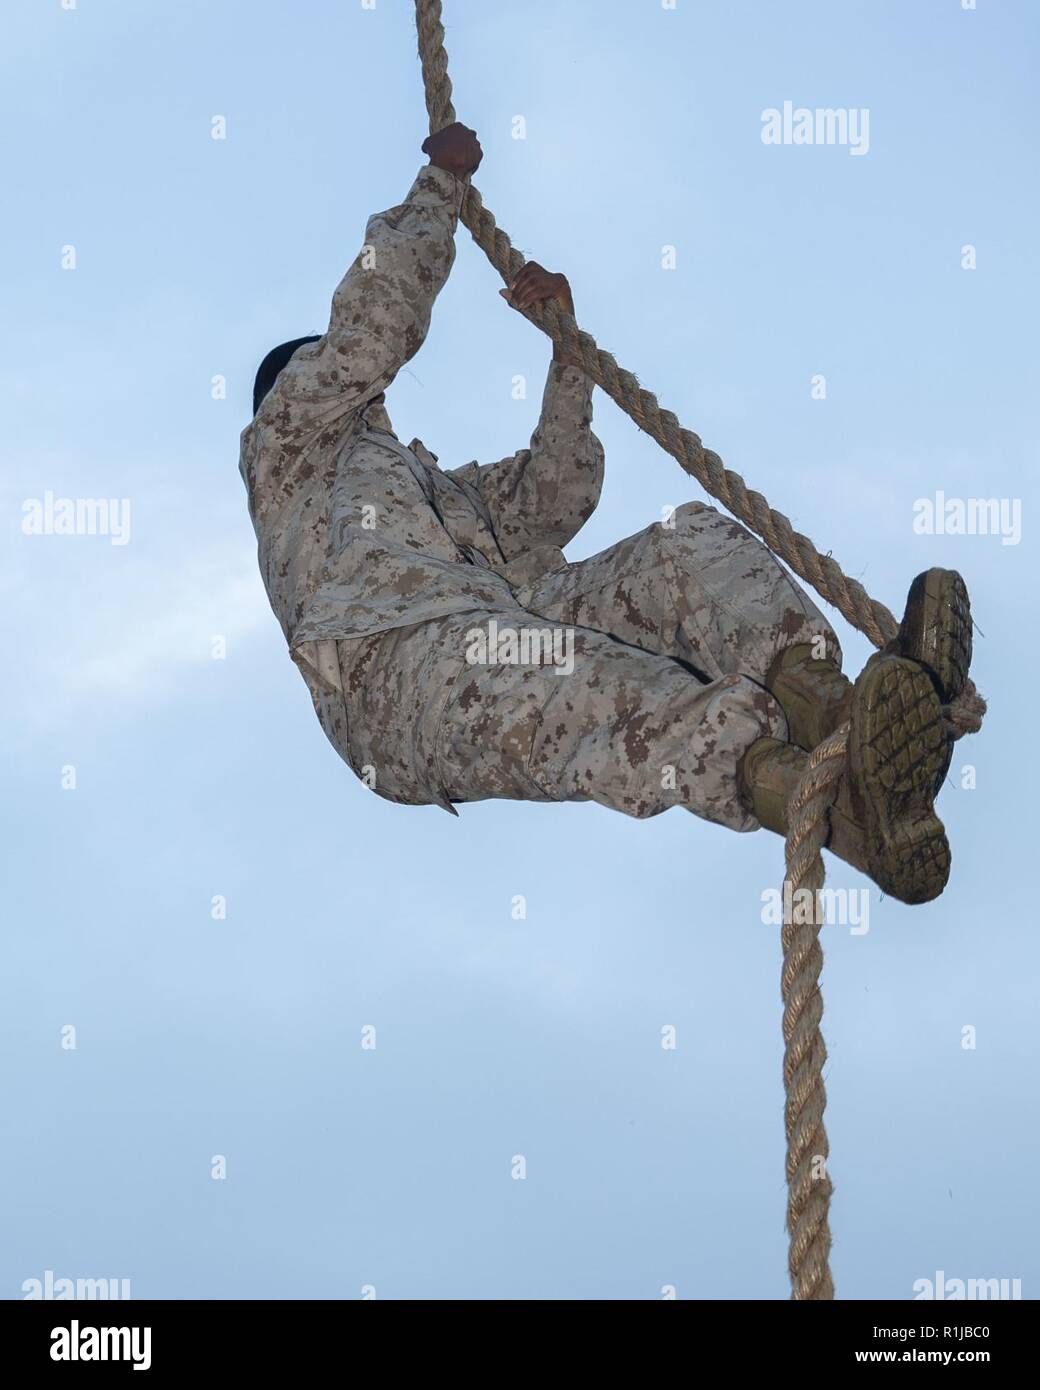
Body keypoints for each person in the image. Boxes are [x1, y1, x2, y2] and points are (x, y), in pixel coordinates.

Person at [240, 123, 971, 905]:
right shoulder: (287, 447)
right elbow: (370, 328)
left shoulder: (436, 491)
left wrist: (565, 354)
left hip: (495, 614)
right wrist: (439, 187)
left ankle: (838, 709)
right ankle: (824, 804)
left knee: (684, 550)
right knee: (607, 691)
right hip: (393, 663)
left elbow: (555, 496)